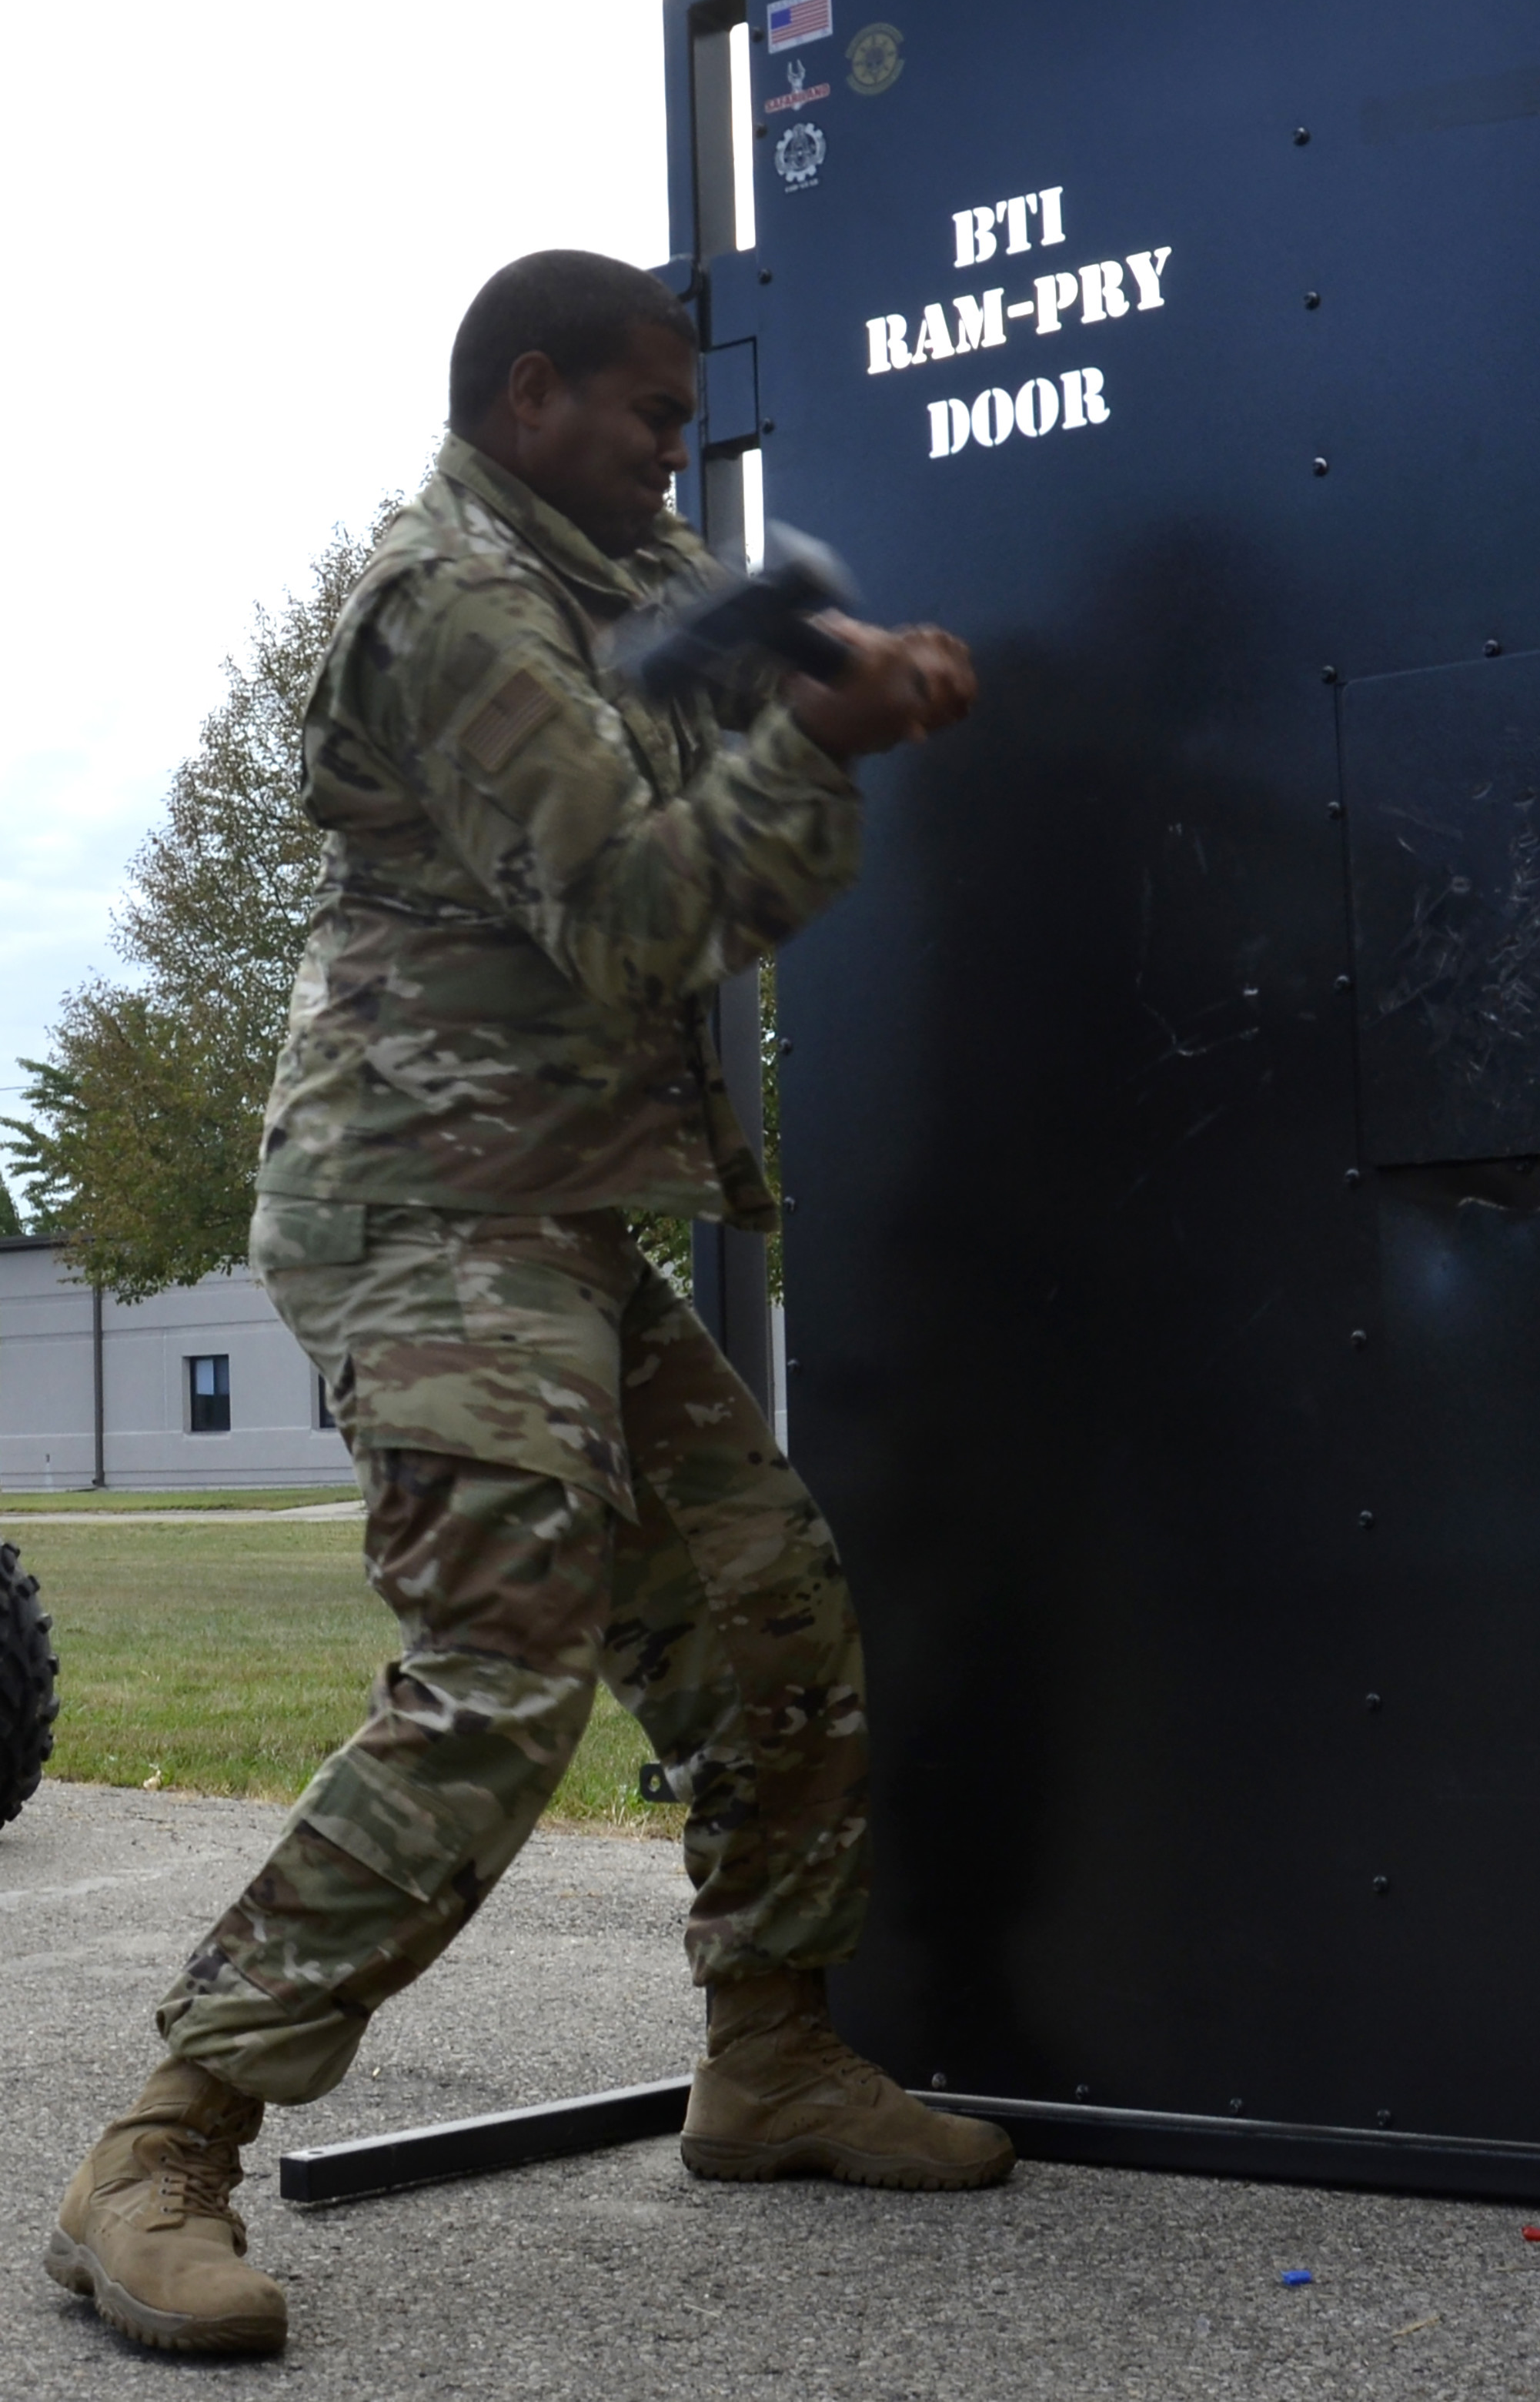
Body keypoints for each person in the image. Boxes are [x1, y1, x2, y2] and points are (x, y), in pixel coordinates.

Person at [47, 249, 1007, 2358]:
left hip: (554, 1209)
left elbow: (749, 632)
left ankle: (767, 2061)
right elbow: (636, 912)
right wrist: (828, 746)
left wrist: (852, 659)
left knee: (767, 1606)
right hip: (417, 1196)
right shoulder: (448, 605)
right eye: (654, 411)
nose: (684, 451)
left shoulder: (620, 551)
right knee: (502, 1664)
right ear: (527, 395)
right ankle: (158, 2152)